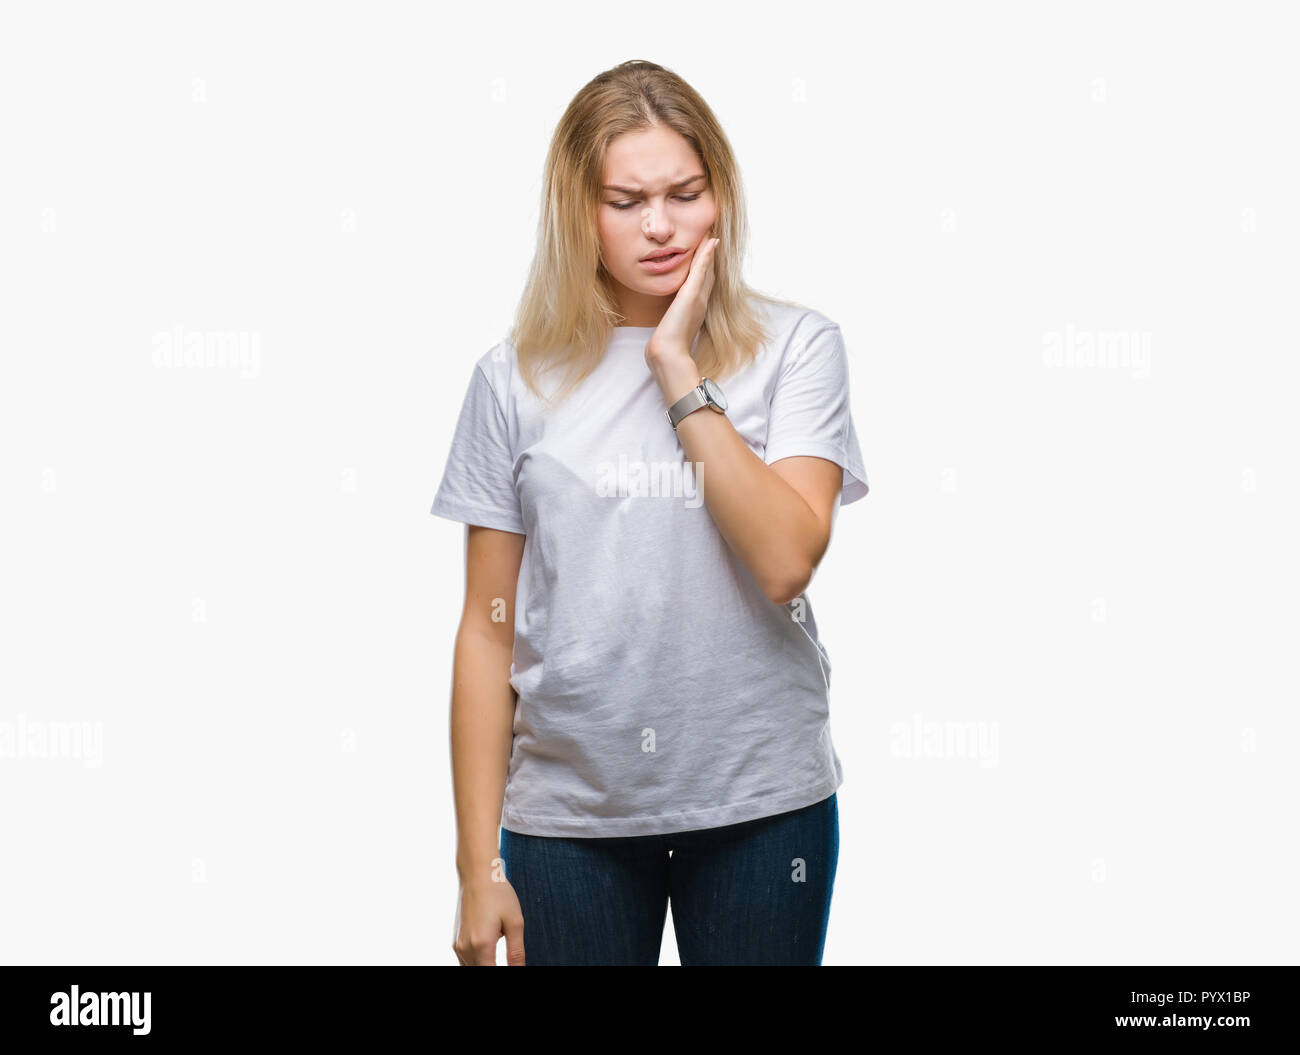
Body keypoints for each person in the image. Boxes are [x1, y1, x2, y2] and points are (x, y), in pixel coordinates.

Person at [432, 59, 869, 965]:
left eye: (685, 193)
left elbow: (787, 554)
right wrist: (479, 867)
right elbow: (486, 628)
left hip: (762, 805)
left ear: (723, 196)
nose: (661, 226)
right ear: (577, 212)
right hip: (569, 816)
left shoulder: (797, 349)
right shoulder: (513, 379)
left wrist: (677, 369)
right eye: (626, 200)